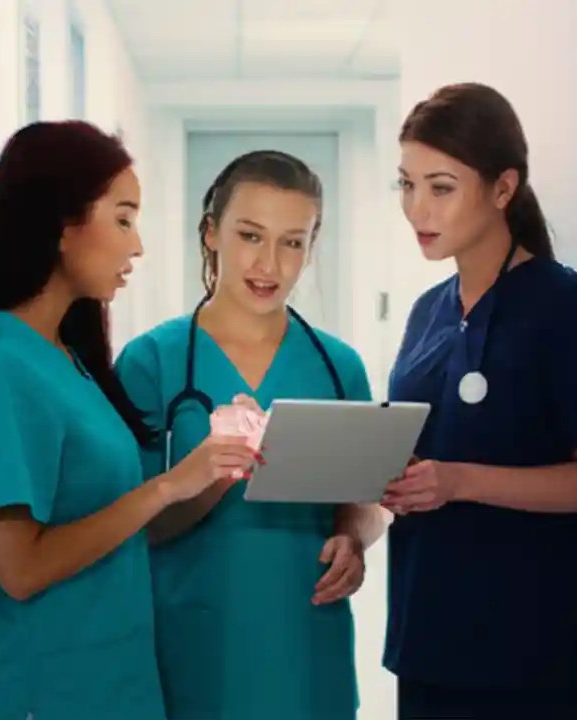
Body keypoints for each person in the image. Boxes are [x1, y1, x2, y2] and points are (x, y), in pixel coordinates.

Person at [0, 121, 258, 720]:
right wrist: (165, 485)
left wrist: (211, 466)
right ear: (61, 222)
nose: (137, 247)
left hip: (103, 682)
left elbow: (123, 527)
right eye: (124, 218)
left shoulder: (65, 360)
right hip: (29, 690)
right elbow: (21, 569)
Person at [381, 83, 577, 719]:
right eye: (406, 184)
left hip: (525, 652)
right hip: (426, 641)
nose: (418, 208)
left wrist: (457, 481)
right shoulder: (426, 314)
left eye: (441, 187)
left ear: (503, 188)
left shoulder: (567, 307)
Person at [115, 150, 387, 720]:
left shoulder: (339, 368)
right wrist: (214, 476)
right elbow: (133, 528)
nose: (270, 263)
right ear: (211, 233)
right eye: (250, 235)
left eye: (293, 241)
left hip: (308, 653)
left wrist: (354, 539)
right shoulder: (153, 363)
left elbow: (364, 500)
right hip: (192, 655)